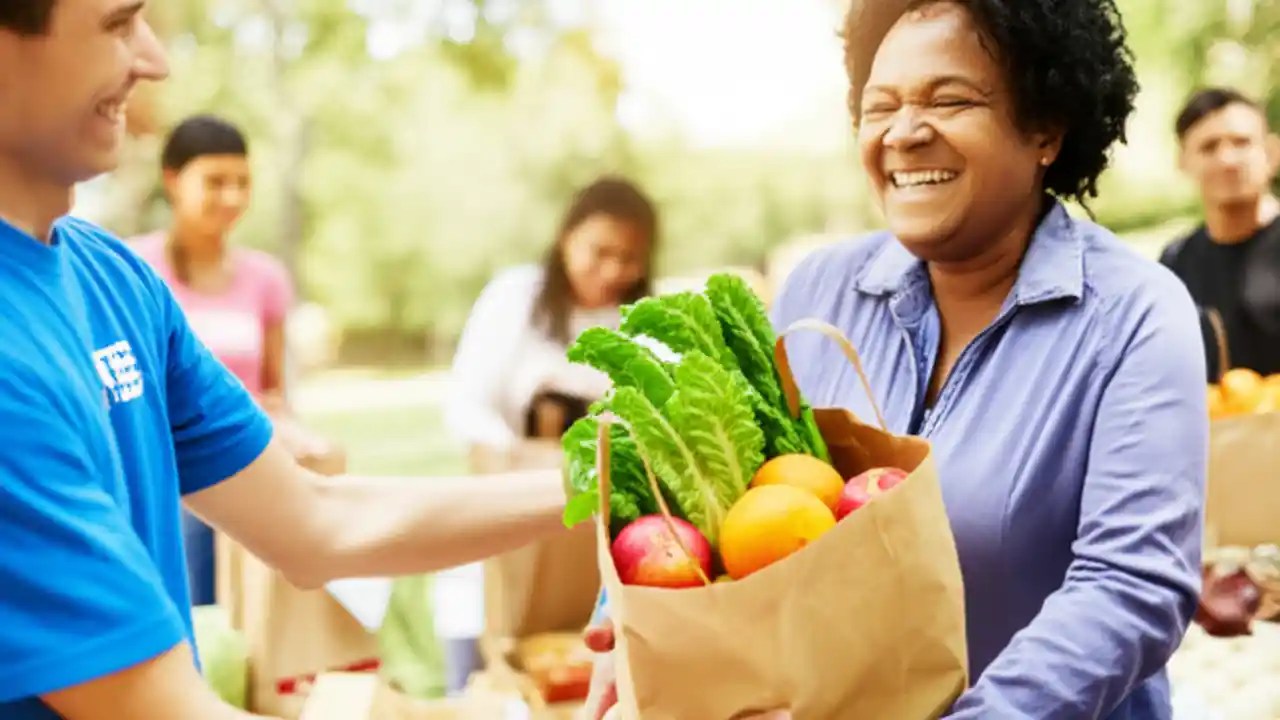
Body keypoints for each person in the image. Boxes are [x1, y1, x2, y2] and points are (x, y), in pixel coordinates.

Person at [583, 1, 1207, 719]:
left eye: (950, 100)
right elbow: (725, 508)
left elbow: (1131, 588)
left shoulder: (1135, 313)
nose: (904, 133)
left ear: (1045, 126)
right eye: (880, 108)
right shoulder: (820, 294)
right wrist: (633, 615)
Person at [0, 2, 566, 718]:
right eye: (118, 25)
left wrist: (600, 481)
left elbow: (317, 519)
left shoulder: (115, 280)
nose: (153, 62)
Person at [130, 115, 302, 607]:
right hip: (165, 472)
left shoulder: (264, 278)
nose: (232, 197)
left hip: (239, 463)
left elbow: (274, 394)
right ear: (172, 180)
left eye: (242, 183)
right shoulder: (134, 270)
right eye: (215, 182)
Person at [445, 175, 658, 451]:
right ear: (566, 238)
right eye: (600, 252)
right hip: (518, 479)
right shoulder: (515, 295)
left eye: (629, 258)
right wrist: (516, 458)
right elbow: (467, 408)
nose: (613, 271)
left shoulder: (648, 324)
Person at [1160, 87, 1280, 379]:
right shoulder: (1175, 265)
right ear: (1183, 162)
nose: (1227, 160)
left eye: (1242, 142)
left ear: (1273, 153)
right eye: (1209, 147)